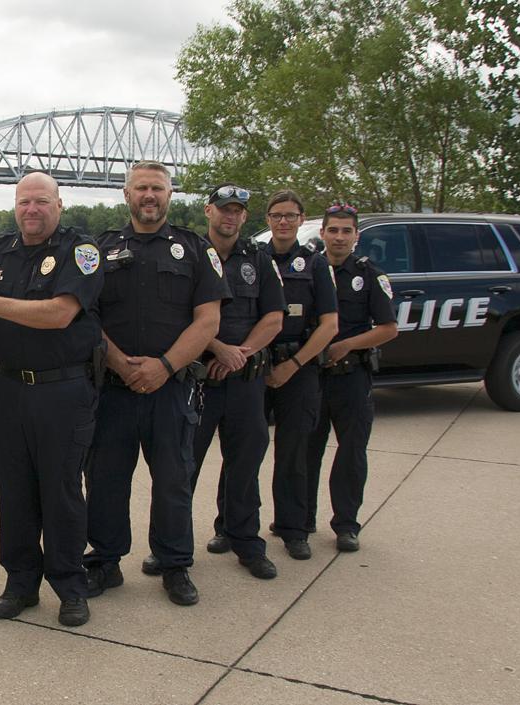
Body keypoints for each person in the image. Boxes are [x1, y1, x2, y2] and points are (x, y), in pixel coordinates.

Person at [0, 172, 102, 627]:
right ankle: (20, 583)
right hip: (10, 389)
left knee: (61, 493)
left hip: (64, 391)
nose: (31, 210)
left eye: (41, 201)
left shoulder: (82, 251)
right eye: (24, 202)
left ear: (59, 205)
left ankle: (70, 586)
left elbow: (60, 314)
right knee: (15, 492)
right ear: (15, 206)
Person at [83, 162, 229, 606]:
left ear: (170, 195)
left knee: (173, 480)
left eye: (158, 189)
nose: (150, 195)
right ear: (127, 194)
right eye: (142, 188)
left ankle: (174, 564)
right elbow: (86, 314)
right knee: (105, 479)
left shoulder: (196, 249)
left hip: (171, 389)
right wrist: (121, 363)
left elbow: (208, 321)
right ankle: (105, 562)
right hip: (113, 388)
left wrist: (164, 367)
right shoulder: (100, 249)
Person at [191, 183, 285, 580]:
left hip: (245, 380)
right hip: (197, 381)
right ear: (208, 211)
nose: (230, 216)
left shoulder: (259, 259)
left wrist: (237, 355)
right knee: (182, 468)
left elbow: (274, 318)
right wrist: (216, 347)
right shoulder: (189, 254)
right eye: (224, 208)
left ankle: (245, 541)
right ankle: (171, 550)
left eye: (237, 211)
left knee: (245, 466)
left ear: (244, 217)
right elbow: (176, 316)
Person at [305, 204, 398, 552]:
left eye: (346, 231)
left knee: (351, 454)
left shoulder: (369, 274)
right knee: (305, 452)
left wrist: (346, 345)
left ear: (356, 236)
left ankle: (346, 525)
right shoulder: (308, 270)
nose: (339, 237)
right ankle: (301, 519)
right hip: (313, 376)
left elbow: (388, 329)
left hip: (352, 377)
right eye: (333, 230)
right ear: (323, 234)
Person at [261, 191, 338, 560]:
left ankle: (293, 529)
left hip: (299, 367)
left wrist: (292, 365)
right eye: (277, 215)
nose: (283, 222)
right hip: (256, 366)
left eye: (291, 215)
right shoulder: (254, 259)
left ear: (301, 219)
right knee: (242, 451)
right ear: (268, 219)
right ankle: (229, 525)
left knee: (294, 453)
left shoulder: (315, 264)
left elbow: (329, 325)